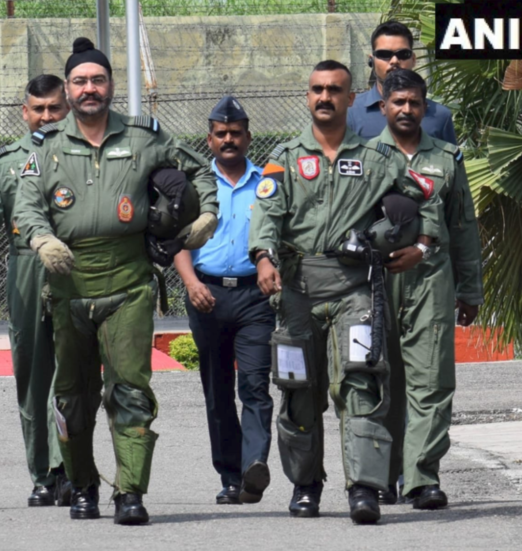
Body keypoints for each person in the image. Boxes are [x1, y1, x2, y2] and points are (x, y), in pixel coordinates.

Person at [12, 38, 219, 526]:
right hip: (68, 281)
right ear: (68, 89)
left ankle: (130, 492)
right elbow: (26, 203)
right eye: (80, 81)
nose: (90, 89)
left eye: (98, 80)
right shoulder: (47, 147)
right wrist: (41, 238)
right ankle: (82, 486)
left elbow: (200, 172)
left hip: (128, 282)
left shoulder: (146, 138)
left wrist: (207, 214)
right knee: (72, 396)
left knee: (130, 391)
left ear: (110, 85)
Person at [249, 60, 443, 524]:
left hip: (355, 289)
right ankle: (305, 485)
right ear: (307, 95)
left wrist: (421, 245)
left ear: (350, 98)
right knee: (297, 389)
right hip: (297, 290)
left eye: (334, 90)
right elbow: (267, 213)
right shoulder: (285, 157)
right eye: (317, 89)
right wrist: (263, 257)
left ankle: (364, 487)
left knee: (362, 384)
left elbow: (428, 195)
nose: (325, 97)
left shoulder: (379, 158)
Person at [0, 74, 71, 507]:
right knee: (32, 376)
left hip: (75, 267)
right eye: (38, 109)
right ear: (25, 112)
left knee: (73, 374)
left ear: (68, 109)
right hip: (27, 270)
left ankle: (70, 469)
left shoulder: (82, 153)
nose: (46, 116)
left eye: (54, 108)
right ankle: (43, 475)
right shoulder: (7, 162)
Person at [371, 69, 483, 509]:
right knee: (379, 381)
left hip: (432, 283)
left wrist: (470, 289)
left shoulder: (447, 158)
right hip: (377, 283)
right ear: (383, 106)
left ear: (425, 106)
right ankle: (380, 476)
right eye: (398, 102)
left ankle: (421, 478)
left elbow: (464, 227)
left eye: (414, 102)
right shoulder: (364, 155)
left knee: (432, 381)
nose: (406, 109)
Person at [173, 96, 275, 506]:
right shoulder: (193, 185)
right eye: (221, 134)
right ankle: (231, 477)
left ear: (248, 137)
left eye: (236, 133)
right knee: (217, 391)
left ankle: (254, 466)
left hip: (255, 297)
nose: (228, 139)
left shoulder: (267, 183)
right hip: (207, 295)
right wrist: (191, 283)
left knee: (255, 384)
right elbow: (178, 240)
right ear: (209, 139)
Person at [347, 20, 457, 144]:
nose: (394, 60)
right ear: (372, 61)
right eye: (384, 54)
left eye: (403, 54)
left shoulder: (440, 116)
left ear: (413, 59)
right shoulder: (350, 112)